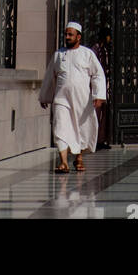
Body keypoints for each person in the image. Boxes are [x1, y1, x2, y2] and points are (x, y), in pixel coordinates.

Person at [39, 21, 107, 173]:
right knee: (60, 127)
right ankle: (63, 162)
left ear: (78, 37)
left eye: (71, 34)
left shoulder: (87, 54)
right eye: (66, 34)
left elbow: (98, 75)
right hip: (61, 99)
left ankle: (79, 157)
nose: (67, 37)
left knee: (82, 128)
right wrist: (44, 96)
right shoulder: (58, 55)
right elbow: (50, 76)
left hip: (82, 100)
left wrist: (99, 95)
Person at [90, 24, 112, 150]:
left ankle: (102, 139)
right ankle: (95, 139)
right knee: (97, 113)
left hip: (106, 83)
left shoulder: (105, 50)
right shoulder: (96, 49)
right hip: (98, 83)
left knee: (104, 112)